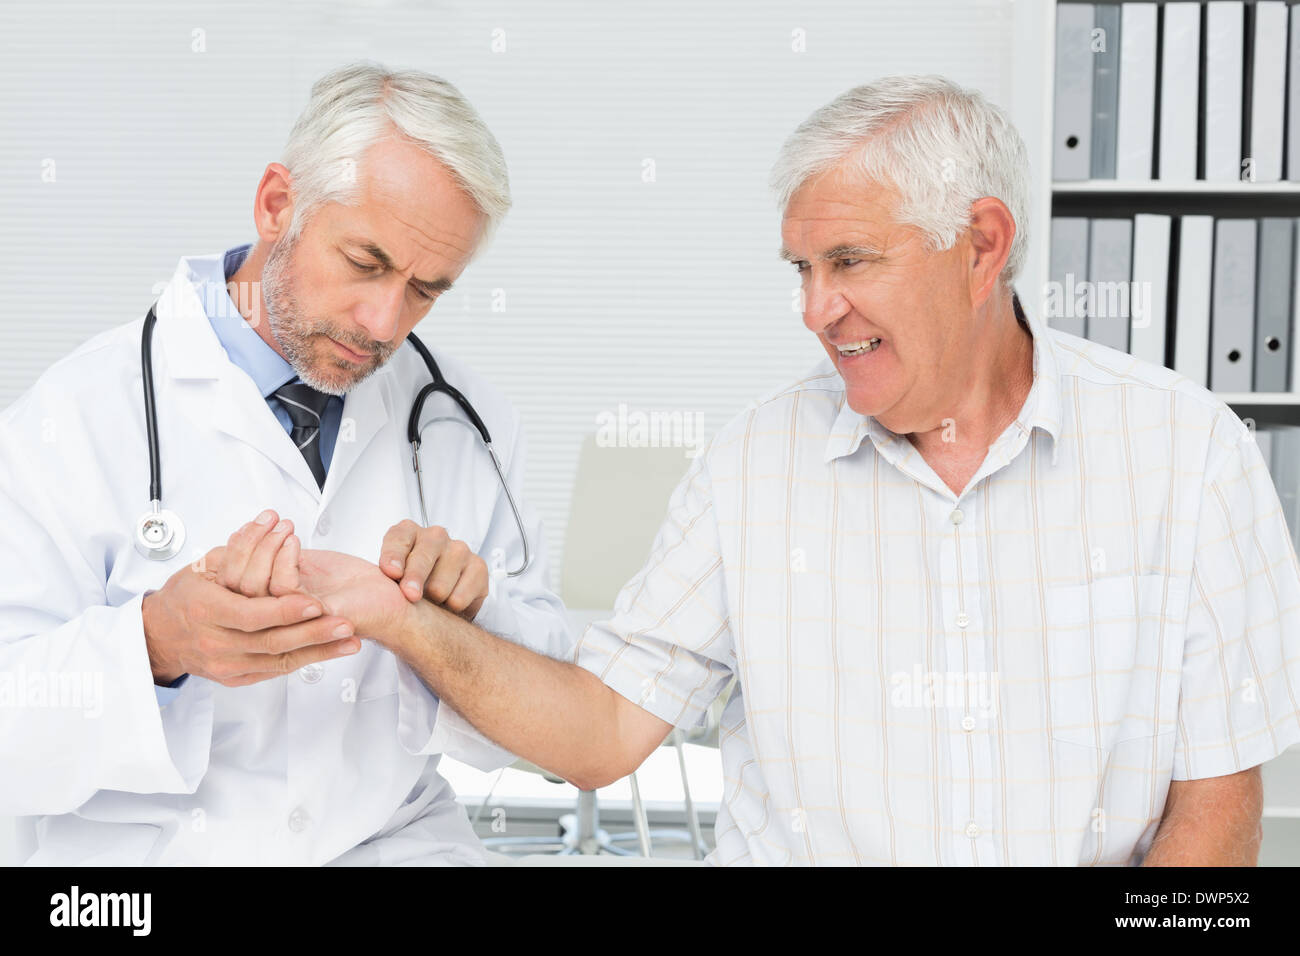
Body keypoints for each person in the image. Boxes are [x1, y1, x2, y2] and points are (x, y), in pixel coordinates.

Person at [273, 74, 1300, 865]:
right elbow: (597, 732)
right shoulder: (752, 470)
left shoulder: (1185, 455)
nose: (815, 309)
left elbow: (1214, 801)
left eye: (850, 262)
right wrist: (403, 619)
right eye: (801, 271)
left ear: (981, 246)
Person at [0, 61, 570, 865]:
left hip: (393, 846)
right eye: (365, 263)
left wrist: (470, 623)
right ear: (278, 204)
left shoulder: (461, 423)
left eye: (426, 290)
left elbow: (555, 714)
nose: (384, 321)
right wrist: (157, 645)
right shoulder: (75, 417)